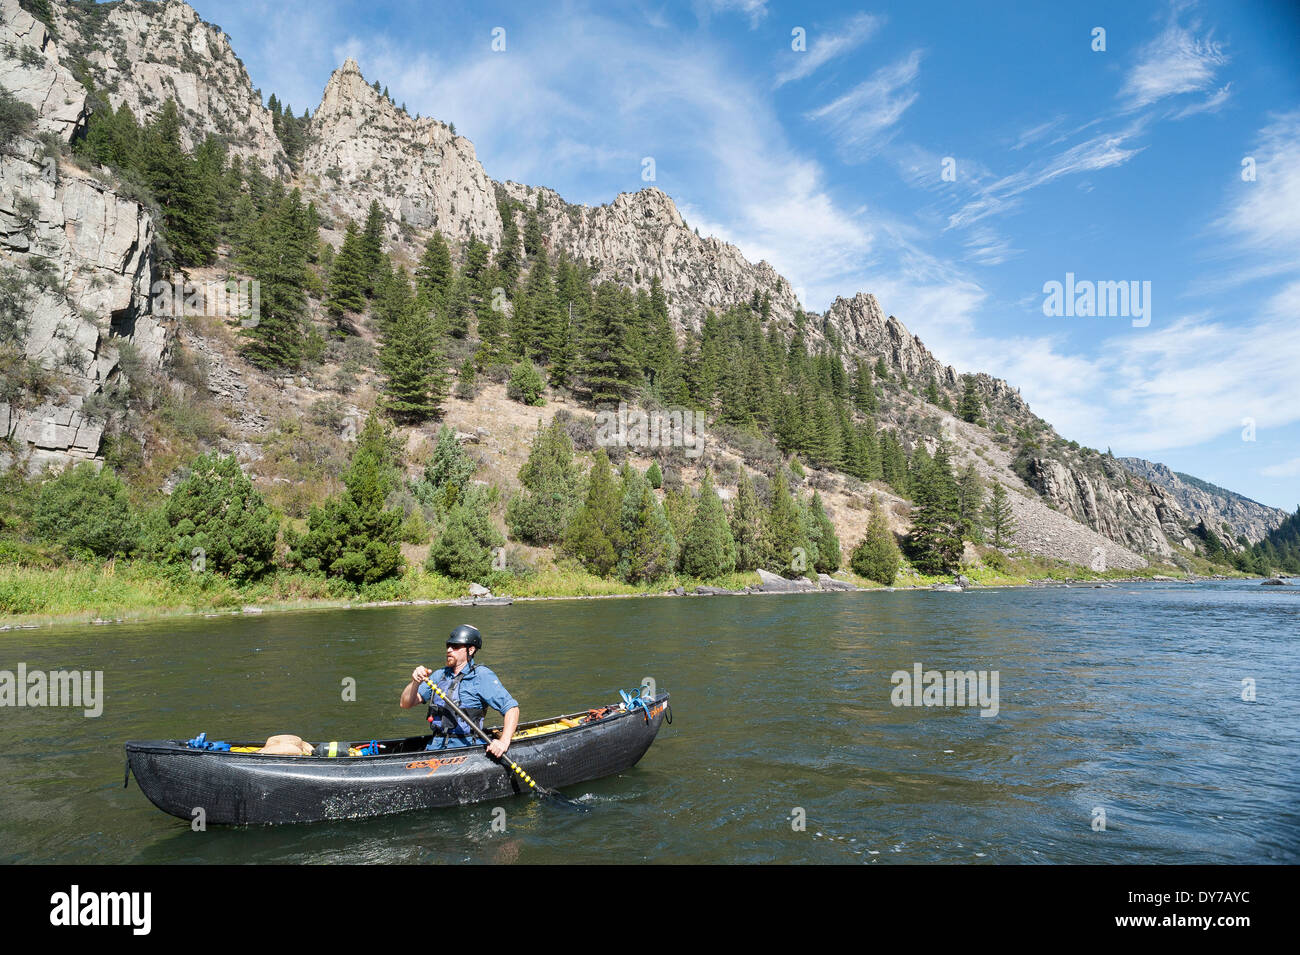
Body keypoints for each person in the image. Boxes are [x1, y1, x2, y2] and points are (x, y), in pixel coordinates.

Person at [399, 624, 519, 757]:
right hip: (436, 746)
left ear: (471, 650)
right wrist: (415, 682)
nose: (449, 650)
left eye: (455, 646)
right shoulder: (439, 675)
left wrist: (503, 742)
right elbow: (405, 703)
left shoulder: (481, 676)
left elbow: (511, 709)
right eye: (448, 646)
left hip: (467, 747)